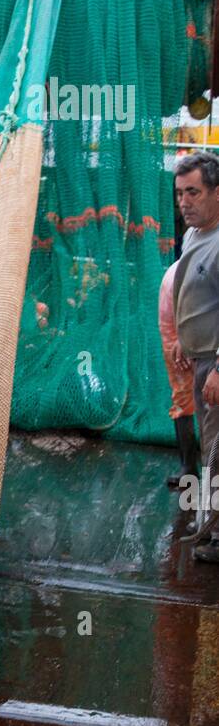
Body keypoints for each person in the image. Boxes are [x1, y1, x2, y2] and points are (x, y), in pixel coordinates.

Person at [172, 151, 219, 563]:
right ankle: (210, 524)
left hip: (216, 366)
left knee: (218, 451)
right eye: (180, 193)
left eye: (194, 192)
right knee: (211, 448)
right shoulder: (193, 235)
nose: (185, 202)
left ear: (217, 193)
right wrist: (184, 341)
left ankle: (216, 534)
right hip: (199, 359)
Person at [157, 258, 197, 490]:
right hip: (174, 335)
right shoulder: (195, 245)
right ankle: (188, 467)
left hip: (195, 339)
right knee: (182, 399)